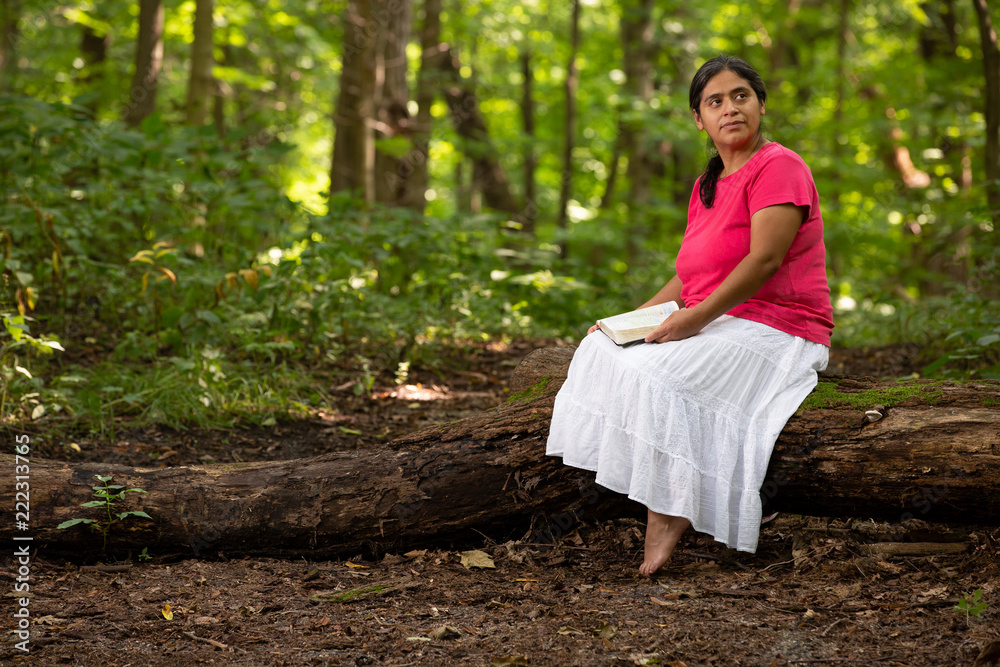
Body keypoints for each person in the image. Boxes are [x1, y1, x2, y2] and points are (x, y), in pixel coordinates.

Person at [545, 55, 834, 576]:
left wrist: (694, 319)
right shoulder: (707, 187)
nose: (730, 108)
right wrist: (634, 319)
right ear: (698, 119)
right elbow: (687, 278)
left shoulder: (780, 166)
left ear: (761, 105)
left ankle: (670, 509)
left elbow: (765, 260)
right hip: (721, 320)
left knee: (659, 379)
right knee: (600, 349)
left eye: (741, 95)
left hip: (778, 327)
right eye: (714, 101)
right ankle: (660, 488)